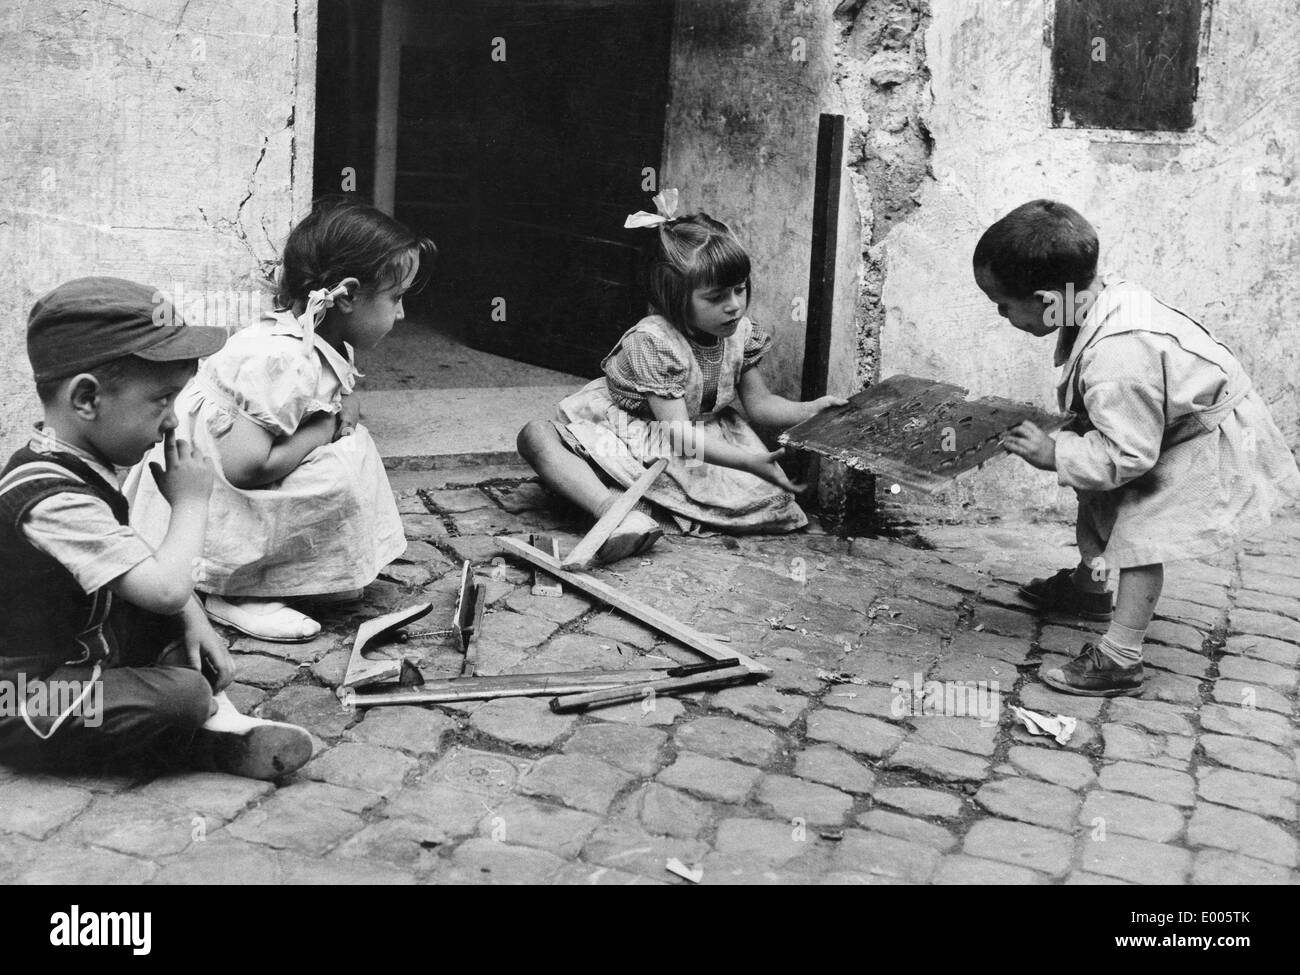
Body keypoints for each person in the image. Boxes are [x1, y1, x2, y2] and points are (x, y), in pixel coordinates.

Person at [976, 199, 1300, 696]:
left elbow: (1129, 455)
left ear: (1046, 299)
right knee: (1102, 493)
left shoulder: (1119, 355)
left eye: (1002, 304)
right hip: (1167, 423)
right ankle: (1088, 588)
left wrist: (1055, 454)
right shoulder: (1091, 297)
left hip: (1201, 438)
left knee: (1141, 529)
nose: (1001, 314)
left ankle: (1120, 656)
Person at [0, 277, 312, 778]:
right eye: (162, 400)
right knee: (183, 693)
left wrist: (193, 618)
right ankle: (203, 740)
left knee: (182, 644)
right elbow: (165, 589)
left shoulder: (81, 465)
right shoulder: (50, 497)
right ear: (86, 399)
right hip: (24, 693)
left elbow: (136, 563)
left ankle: (213, 725)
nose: (171, 422)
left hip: (82, 652)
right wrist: (190, 504)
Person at [129, 201, 436, 642]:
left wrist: (339, 415)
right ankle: (235, 588)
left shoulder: (317, 340)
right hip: (215, 487)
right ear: (347, 296)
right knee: (337, 466)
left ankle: (289, 573)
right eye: (396, 298)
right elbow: (245, 468)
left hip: (236, 471)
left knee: (349, 450)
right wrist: (324, 429)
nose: (402, 314)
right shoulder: (282, 358)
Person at [517, 190, 845, 562]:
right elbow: (675, 433)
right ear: (676, 297)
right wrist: (745, 462)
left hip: (701, 440)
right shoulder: (655, 342)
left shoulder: (740, 334)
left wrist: (813, 410)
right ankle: (610, 508)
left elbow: (762, 405)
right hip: (641, 433)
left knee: (770, 506)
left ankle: (640, 503)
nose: (734, 305)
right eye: (717, 297)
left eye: (740, 290)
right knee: (535, 435)